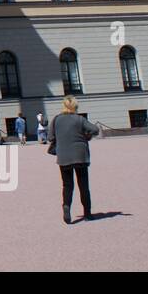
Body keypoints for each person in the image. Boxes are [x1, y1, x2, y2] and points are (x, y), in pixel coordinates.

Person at [49, 95, 101, 224]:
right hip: (80, 155)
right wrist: (86, 135)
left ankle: (66, 206)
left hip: (64, 156)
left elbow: (50, 137)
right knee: (83, 185)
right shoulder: (79, 119)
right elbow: (95, 129)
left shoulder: (56, 119)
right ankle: (87, 213)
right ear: (75, 107)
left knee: (67, 185)